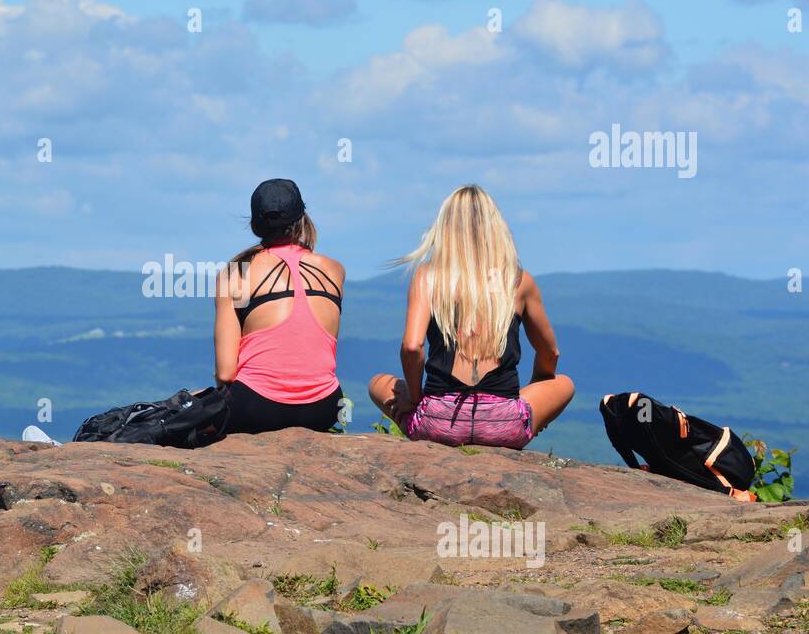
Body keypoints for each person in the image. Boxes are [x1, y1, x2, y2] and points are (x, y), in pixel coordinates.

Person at [368, 184, 574, 448]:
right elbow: (550, 353)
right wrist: (534, 390)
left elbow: (412, 346)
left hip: (437, 423)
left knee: (377, 382)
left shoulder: (428, 276)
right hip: (504, 426)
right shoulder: (519, 281)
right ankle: (513, 414)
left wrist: (416, 397)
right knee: (565, 383)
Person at [214, 179, 345, 434]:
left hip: (255, 408)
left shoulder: (237, 274)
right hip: (325, 407)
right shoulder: (335, 270)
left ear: (254, 225)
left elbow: (226, 373)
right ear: (302, 218)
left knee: (194, 401)